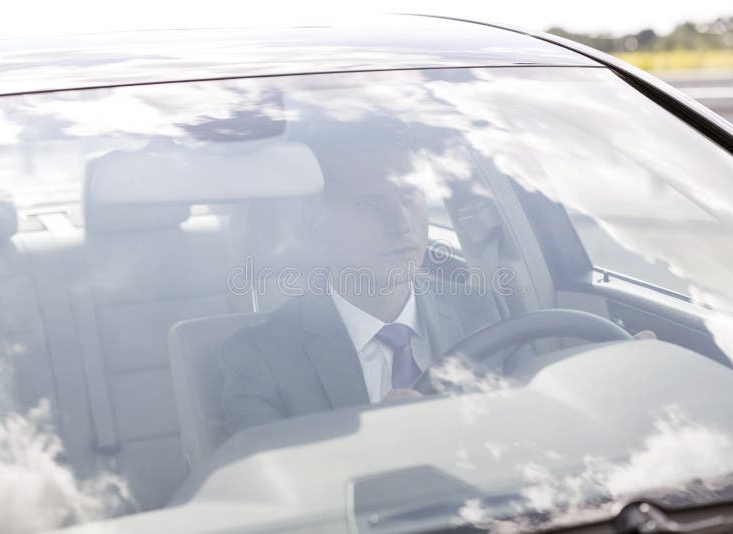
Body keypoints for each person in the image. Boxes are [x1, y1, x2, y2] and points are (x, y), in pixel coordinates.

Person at [219, 121, 529, 433]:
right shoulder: (260, 358)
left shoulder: (483, 313)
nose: (400, 224)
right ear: (315, 221)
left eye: (408, 197)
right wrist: (376, 443)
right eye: (370, 203)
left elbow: (534, 431)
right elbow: (265, 478)